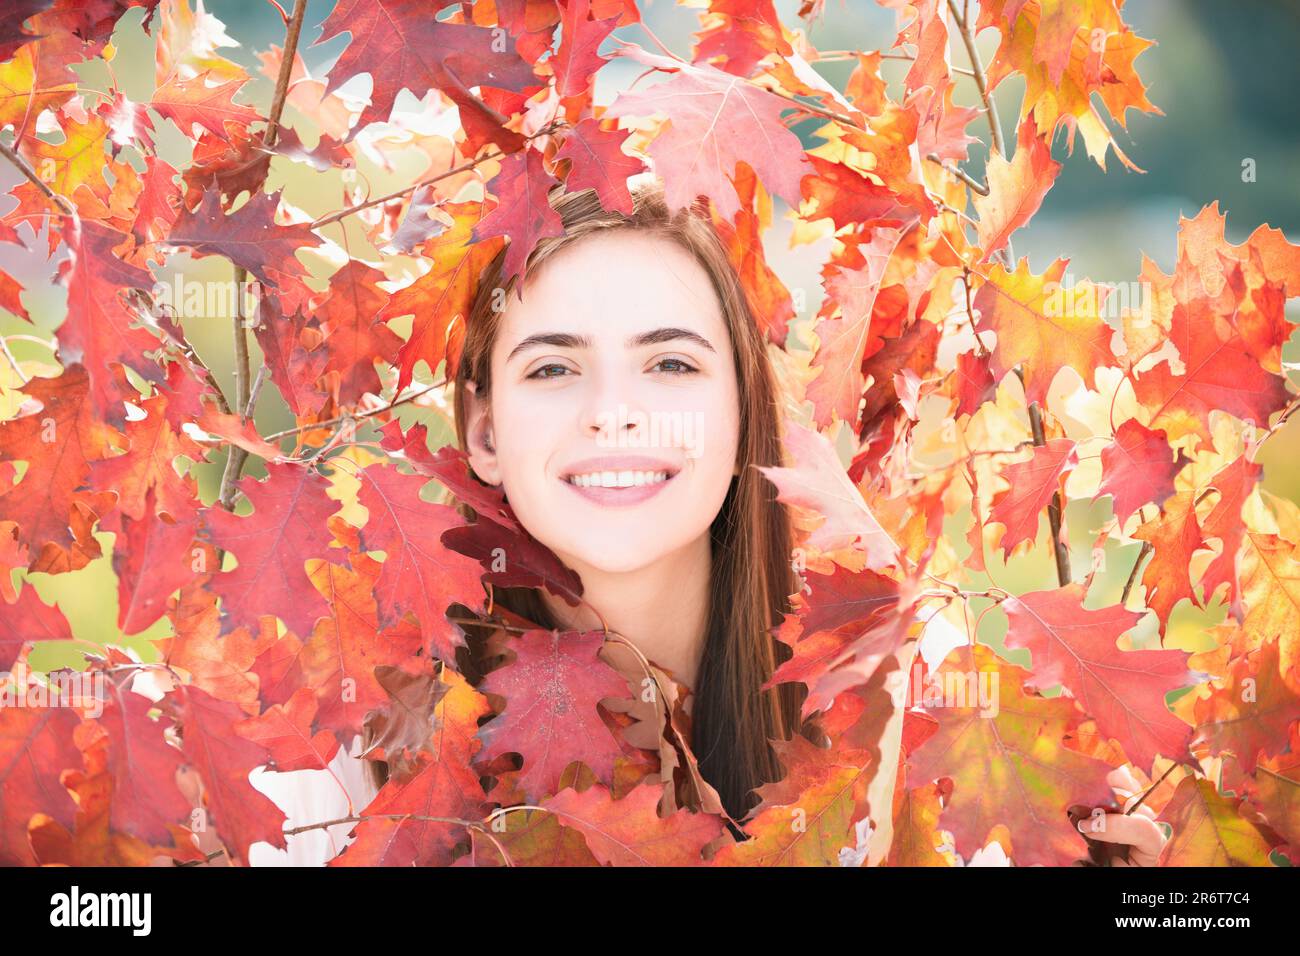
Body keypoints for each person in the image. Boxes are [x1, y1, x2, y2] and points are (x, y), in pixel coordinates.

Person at [256, 176, 1168, 866]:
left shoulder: (896, 685)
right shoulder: (356, 740)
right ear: (484, 434)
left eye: (672, 366)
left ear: (742, 422)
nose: (615, 412)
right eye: (551, 369)